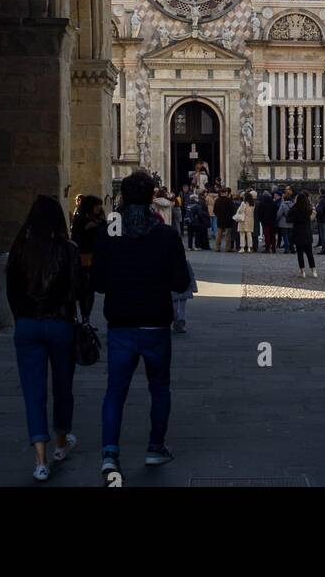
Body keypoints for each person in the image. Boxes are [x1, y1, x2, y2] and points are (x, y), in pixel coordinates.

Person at [91, 170, 191, 482]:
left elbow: (98, 283)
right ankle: (155, 446)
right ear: (151, 197)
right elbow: (180, 281)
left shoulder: (109, 232)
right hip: (155, 324)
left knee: (115, 390)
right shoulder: (164, 235)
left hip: (120, 322)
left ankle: (110, 454)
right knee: (159, 387)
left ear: (122, 196)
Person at [6, 195, 82, 481]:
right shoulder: (68, 249)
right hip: (60, 324)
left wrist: (21, 318)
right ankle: (61, 442)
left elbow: (11, 289)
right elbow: (79, 289)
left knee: (33, 391)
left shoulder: (19, 250)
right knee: (63, 386)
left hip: (27, 326)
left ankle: (40, 459)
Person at [70, 194, 105, 319]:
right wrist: (86, 229)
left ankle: (86, 317)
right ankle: (82, 316)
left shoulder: (100, 218)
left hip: (94, 258)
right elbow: (76, 238)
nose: (99, 207)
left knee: (90, 290)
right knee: (83, 289)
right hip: (82, 258)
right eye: (97, 205)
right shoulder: (80, 219)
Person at [290, 191, 317, 277]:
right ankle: (313, 270)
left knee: (300, 253)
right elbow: (313, 216)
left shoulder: (295, 208)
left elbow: (289, 217)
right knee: (309, 253)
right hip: (307, 232)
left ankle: (302, 271)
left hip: (298, 233)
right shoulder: (309, 209)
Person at [172, 254, 197, 334]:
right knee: (181, 307)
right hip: (185, 287)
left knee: (175, 307)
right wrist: (194, 286)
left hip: (174, 289)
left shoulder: (167, 262)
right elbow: (191, 275)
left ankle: (177, 321)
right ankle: (180, 323)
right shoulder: (185, 262)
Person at [258, 186, 278, 252]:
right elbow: (276, 212)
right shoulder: (273, 203)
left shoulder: (262, 203)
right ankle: (273, 248)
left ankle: (267, 248)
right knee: (272, 235)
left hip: (265, 221)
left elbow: (260, 212)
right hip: (272, 221)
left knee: (267, 235)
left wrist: (261, 219)